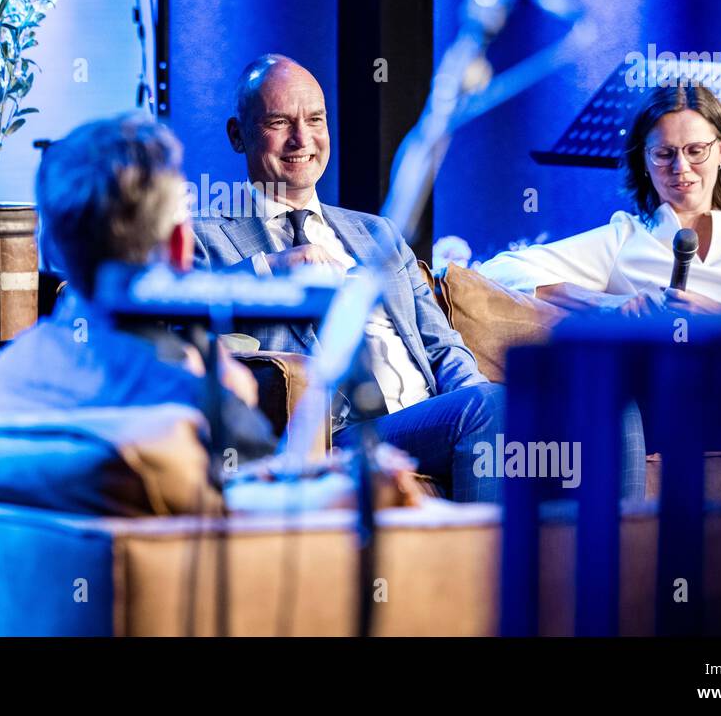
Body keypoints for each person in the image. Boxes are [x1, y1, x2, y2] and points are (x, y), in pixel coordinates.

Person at [478, 82, 721, 531]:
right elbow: (500, 269)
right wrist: (610, 304)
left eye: (695, 151)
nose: (681, 168)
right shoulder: (625, 237)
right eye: (664, 154)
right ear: (645, 162)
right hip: (671, 401)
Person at [189, 53, 508, 502]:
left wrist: (486, 403)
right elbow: (184, 323)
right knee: (487, 408)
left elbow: (441, 346)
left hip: (435, 418)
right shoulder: (203, 237)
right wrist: (269, 269)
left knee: (564, 411)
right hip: (338, 434)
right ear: (238, 135)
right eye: (279, 122)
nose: (302, 139)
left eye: (315, 120)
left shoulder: (377, 233)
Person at [0, 114, 277, 462]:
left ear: (51, 247)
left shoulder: (5, 375)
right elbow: (275, 486)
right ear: (179, 245)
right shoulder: (193, 401)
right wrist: (234, 402)